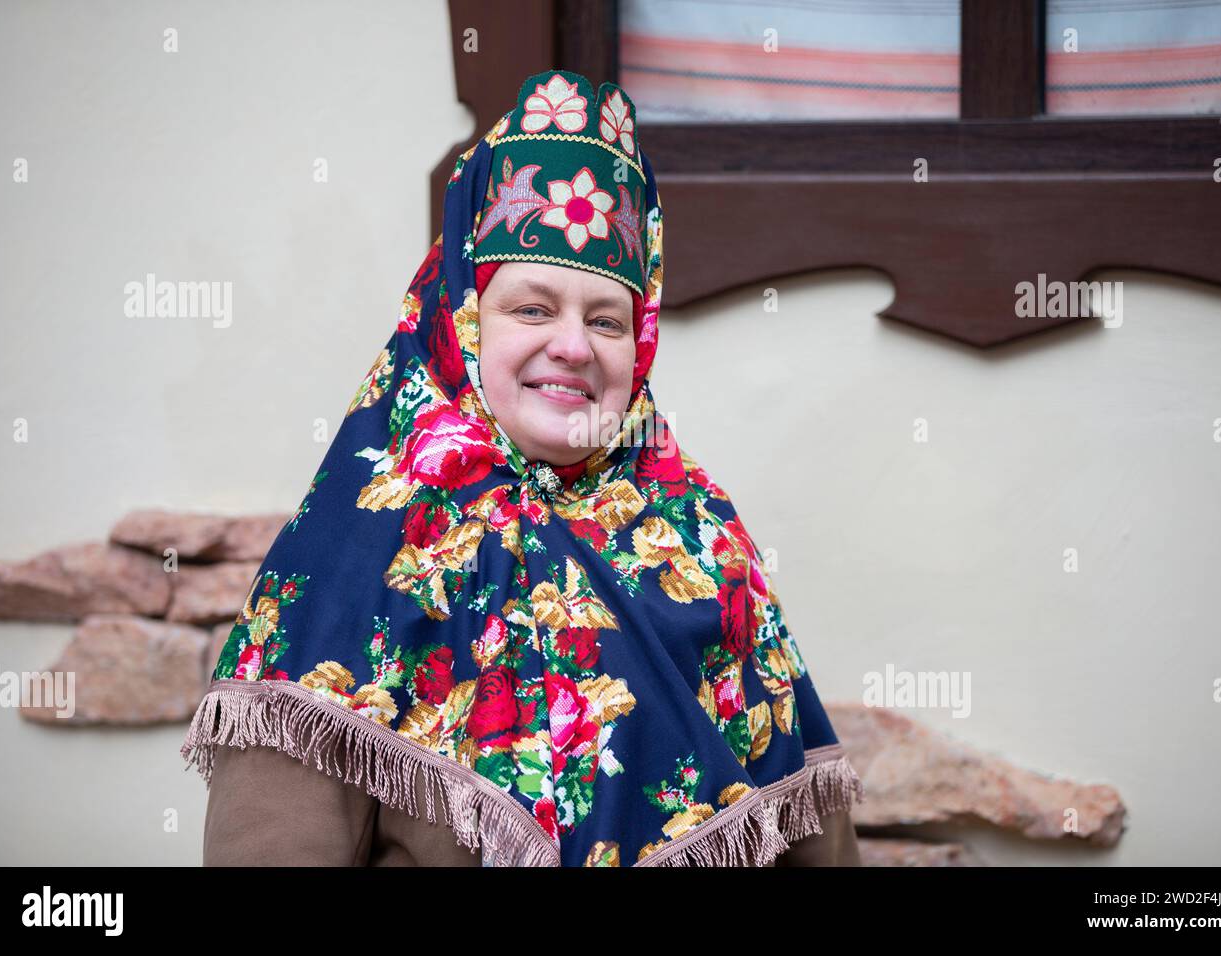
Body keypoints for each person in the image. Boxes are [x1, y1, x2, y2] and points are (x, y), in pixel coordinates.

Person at [184, 68, 864, 867]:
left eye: (606, 320)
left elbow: (813, 850)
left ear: (638, 346)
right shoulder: (355, 549)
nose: (573, 346)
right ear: (461, 321)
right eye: (532, 309)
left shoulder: (702, 542)